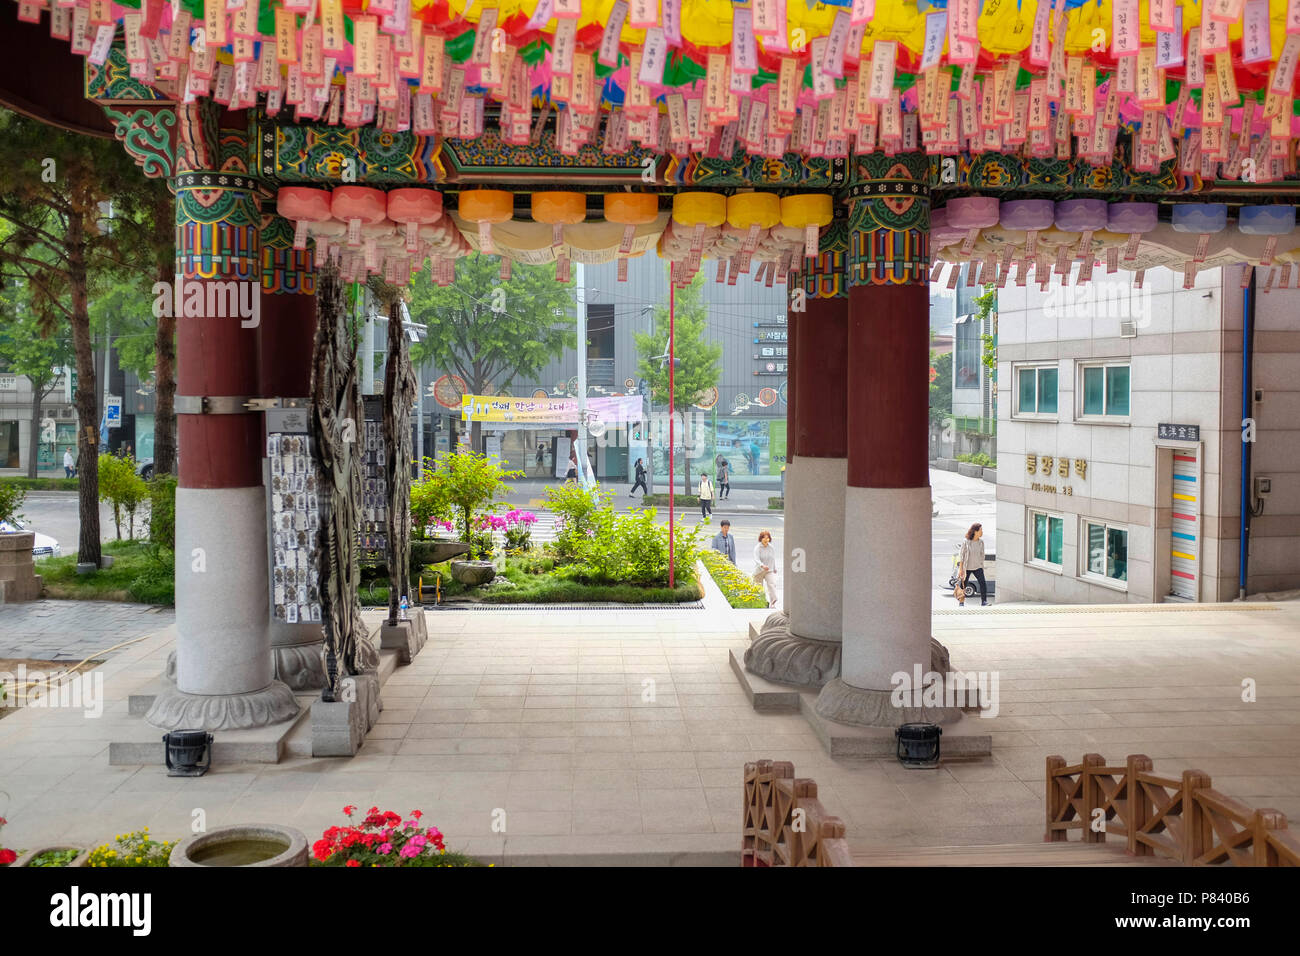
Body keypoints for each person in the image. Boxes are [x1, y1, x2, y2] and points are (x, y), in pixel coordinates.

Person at [958, 522, 988, 607]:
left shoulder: (981, 542)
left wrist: (981, 564)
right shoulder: (966, 542)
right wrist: (961, 569)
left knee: (982, 583)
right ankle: (961, 602)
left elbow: (982, 554)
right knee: (963, 584)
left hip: (978, 567)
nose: (982, 532)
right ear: (975, 531)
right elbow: (962, 555)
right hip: (967, 567)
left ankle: (984, 601)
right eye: (981, 530)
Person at [752, 529, 779, 607]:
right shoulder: (758, 548)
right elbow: (756, 558)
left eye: (767, 538)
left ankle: (773, 602)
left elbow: (773, 558)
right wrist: (762, 565)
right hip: (759, 571)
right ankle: (761, 602)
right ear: (761, 539)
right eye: (764, 538)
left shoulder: (771, 547)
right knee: (759, 587)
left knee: (772, 584)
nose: (766, 539)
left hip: (769, 570)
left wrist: (774, 568)